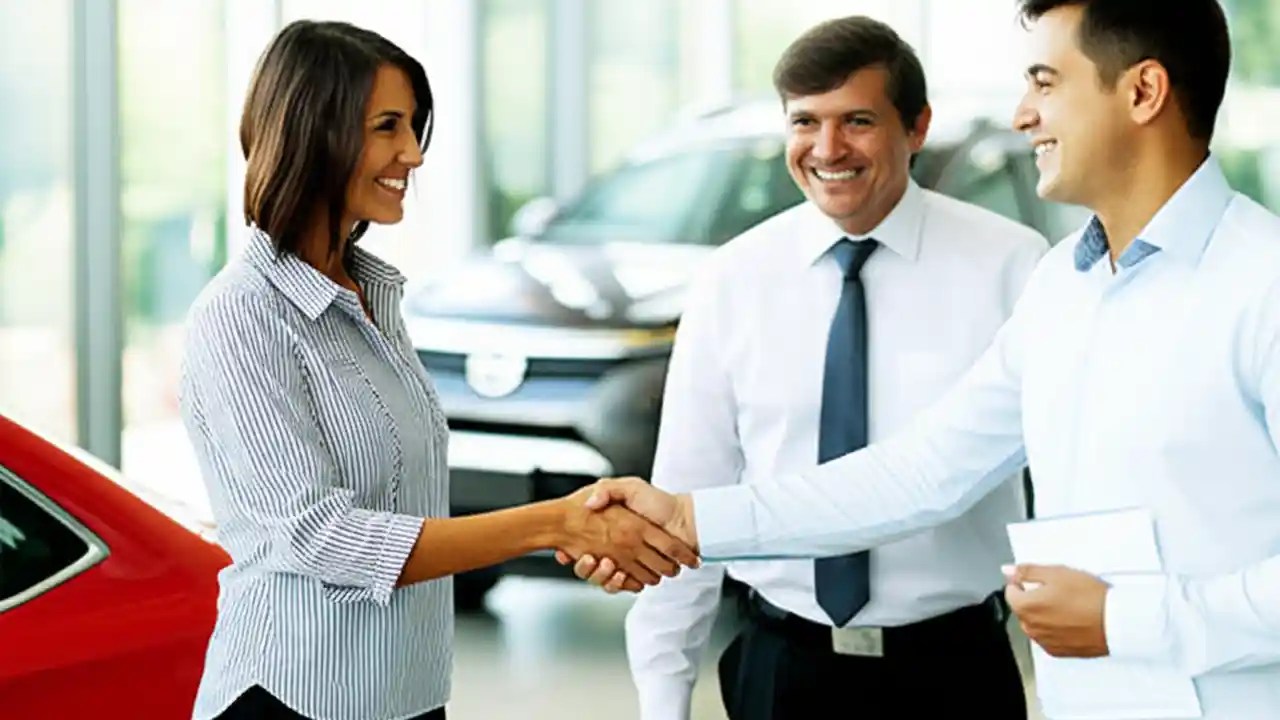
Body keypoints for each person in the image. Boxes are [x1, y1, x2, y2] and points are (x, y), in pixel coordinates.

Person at [571, 0, 1280, 717]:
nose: (1022, 115)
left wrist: (1127, 618)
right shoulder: (1065, 287)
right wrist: (689, 519)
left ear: (1142, 92)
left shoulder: (1265, 286)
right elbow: (919, 473)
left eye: (1044, 81)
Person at [178, 20, 695, 720]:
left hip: (409, 697)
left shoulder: (373, 298)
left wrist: (581, 527)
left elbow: (406, 501)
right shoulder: (241, 315)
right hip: (291, 700)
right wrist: (555, 524)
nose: (413, 154)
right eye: (387, 126)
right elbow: (317, 536)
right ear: (313, 132)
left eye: (415, 126)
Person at [561, 15, 1048, 720]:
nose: (827, 148)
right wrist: (663, 700)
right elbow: (688, 486)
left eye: (856, 120)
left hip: (955, 674)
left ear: (916, 128)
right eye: (804, 122)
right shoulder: (732, 279)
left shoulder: (1015, 265)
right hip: (781, 668)